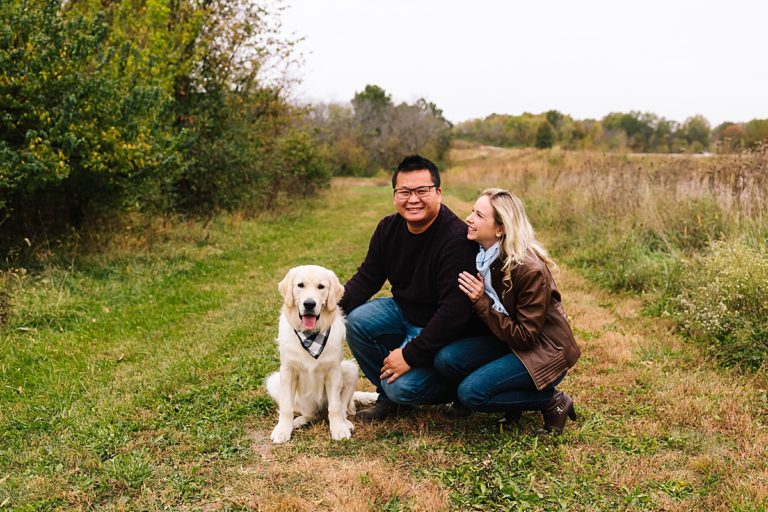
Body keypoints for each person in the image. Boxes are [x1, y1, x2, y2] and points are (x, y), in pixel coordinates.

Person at [340, 154, 486, 422]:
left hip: (448, 330)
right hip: (404, 311)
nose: (413, 199)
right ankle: (389, 398)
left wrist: (409, 355)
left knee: (403, 386)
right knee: (357, 320)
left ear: (438, 192)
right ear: (395, 194)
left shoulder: (456, 240)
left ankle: (464, 389)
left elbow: (455, 313)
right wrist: (329, 313)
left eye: (422, 191)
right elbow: (366, 279)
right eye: (404, 192)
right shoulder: (388, 228)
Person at [434, 188, 581, 434]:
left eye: (479, 215)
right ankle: (510, 398)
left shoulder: (528, 269)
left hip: (543, 350)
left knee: (472, 394)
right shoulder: (484, 256)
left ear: (500, 229)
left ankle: (553, 401)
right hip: (507, 340)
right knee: (447, 360)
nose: (469, 219)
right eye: (472, 211)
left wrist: (481, 302)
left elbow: (525, 336)